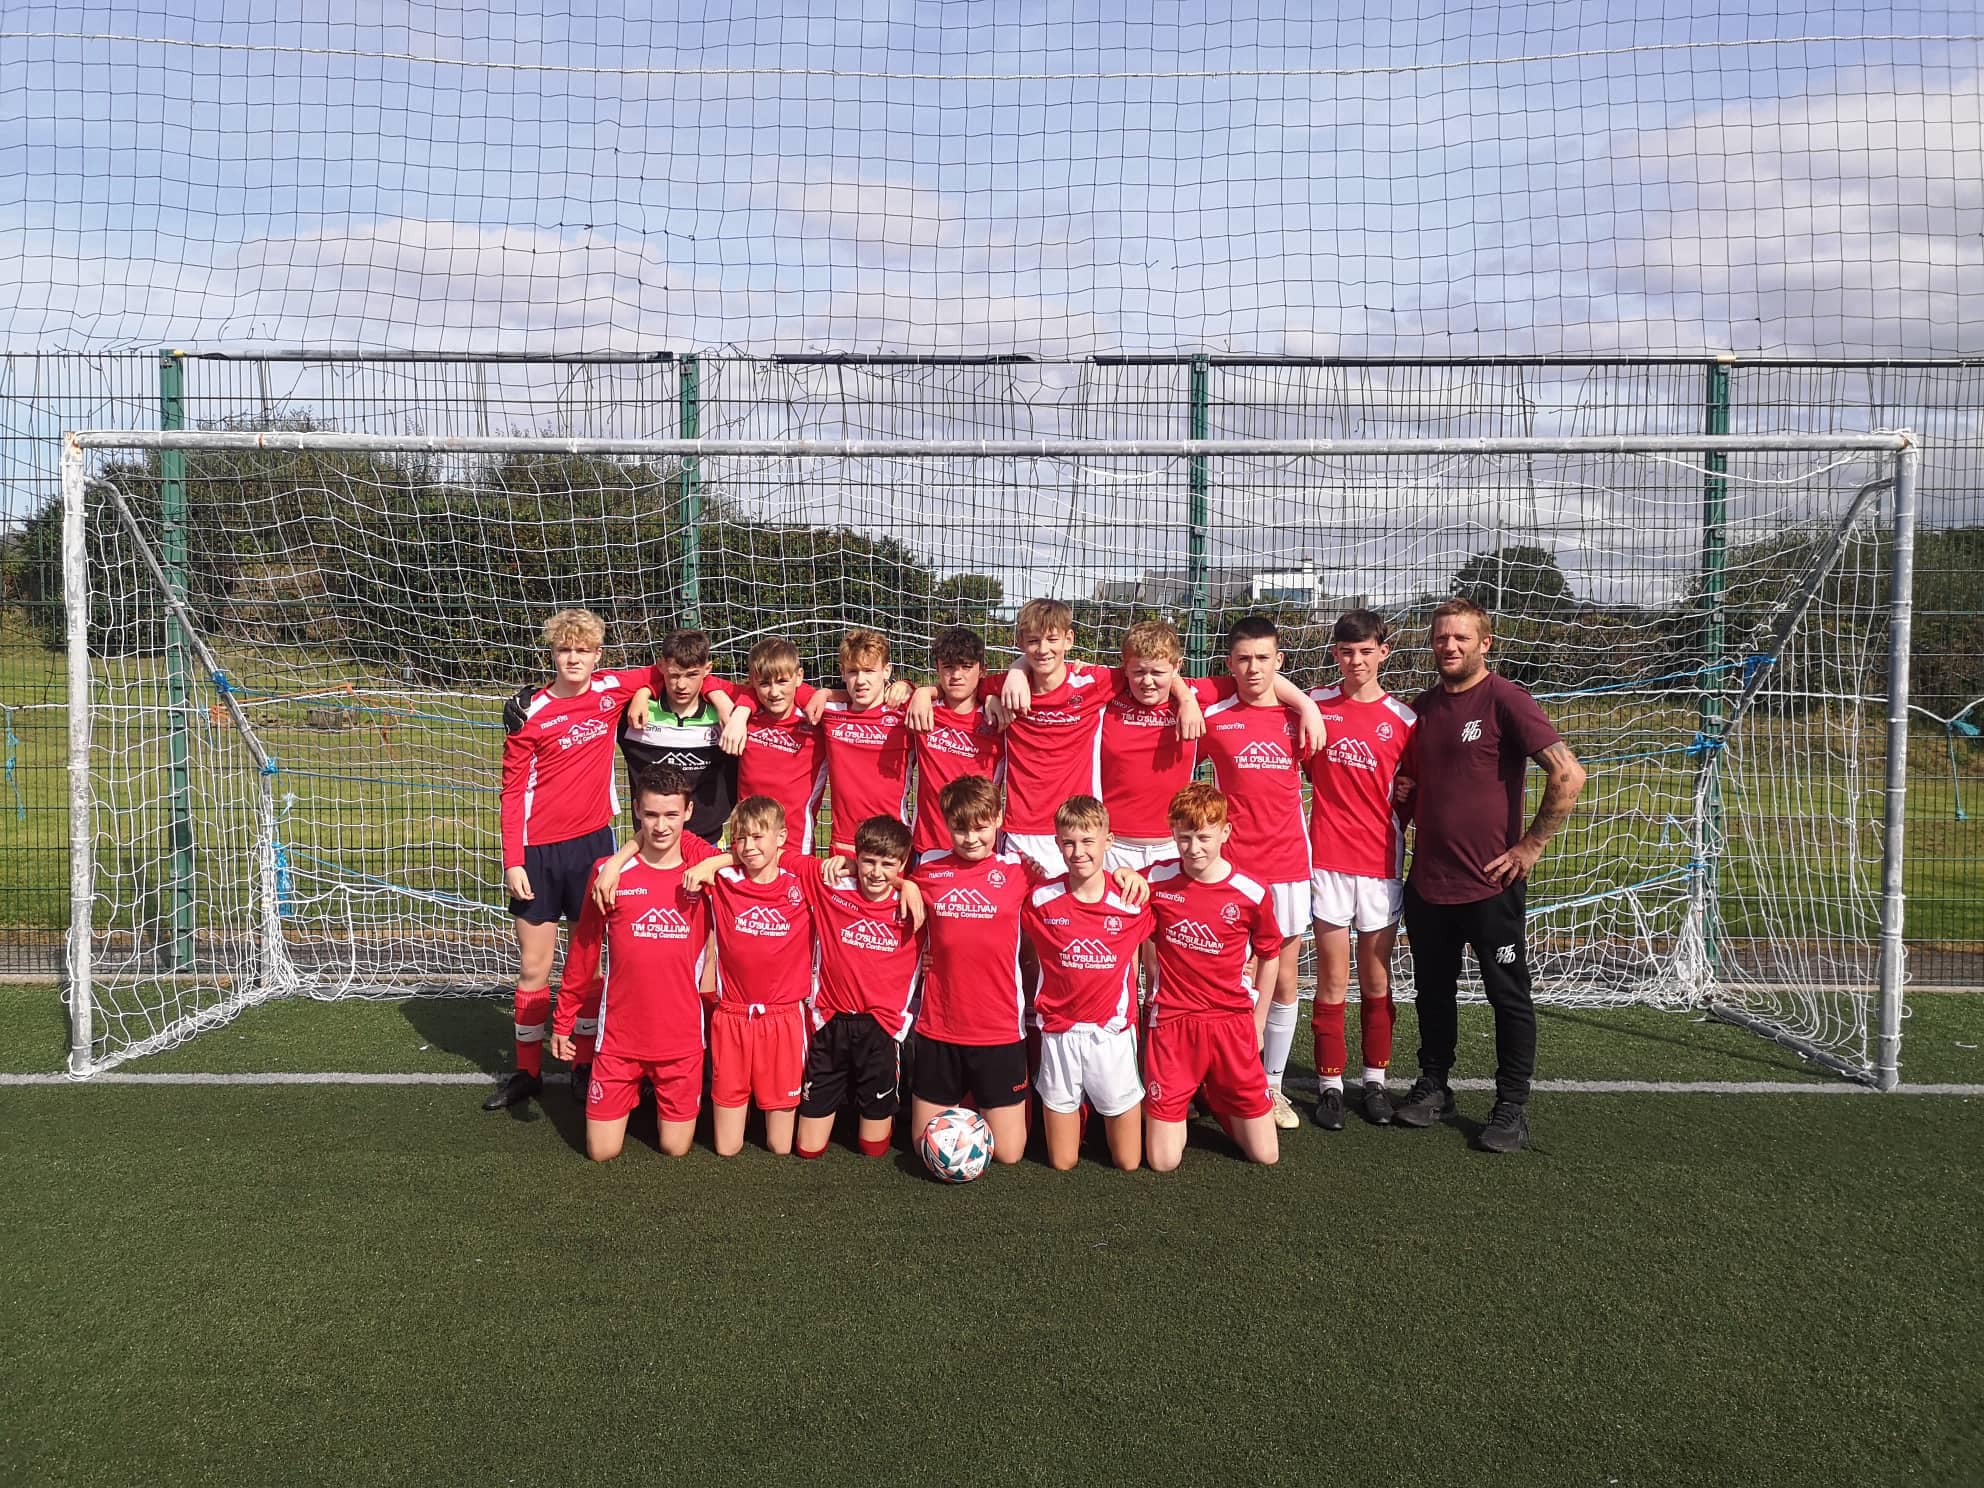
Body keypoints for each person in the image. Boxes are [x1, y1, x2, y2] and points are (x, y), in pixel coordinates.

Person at [1392, 597, 1587, 1153]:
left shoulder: (1505, 698)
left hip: (1490, 884)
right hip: (1429, 881)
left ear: (1485, 642)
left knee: (1507, 995)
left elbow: (1568, 775)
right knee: (1432, 990)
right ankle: (1434, 1086)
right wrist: (1408, 792)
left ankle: (1511, 1106)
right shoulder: (1422, 708)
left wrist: (1531, 845)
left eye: (1460, 638)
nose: (1448, 646)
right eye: (1439, 638)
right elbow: (1415, 783)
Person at [491, 608, 662, 1112]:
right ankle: (527, 1072)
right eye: (565, 650)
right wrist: (513, 860)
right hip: (538, 853)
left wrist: (645, 694)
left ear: (597, 655)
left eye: (583, 651)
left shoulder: (610, 690)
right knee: (534, 966)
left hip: (593, 849)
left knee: (586, 965)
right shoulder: (530, 711)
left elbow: (665, 670)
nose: (574, 659)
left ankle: (584, 1063)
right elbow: (512, 789)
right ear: (553, 654)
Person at [1196, 616, 1327, 1129]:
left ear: (1279, 662)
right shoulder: (1215, 716)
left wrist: (1309, 706)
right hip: (1232, 872)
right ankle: (1219, 1078)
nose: (1253, 668)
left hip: (1290, 869)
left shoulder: (1299, 722)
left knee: (1285, 978)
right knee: (1232, 975)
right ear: (1230, 664)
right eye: (1243, 659)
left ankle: (1268, 1087)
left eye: (1263, 658)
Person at [549, 765, 716, 1160]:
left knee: (674, 1148)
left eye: (671, 814)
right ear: (637, 811)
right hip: (620, 1041)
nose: (661, 825)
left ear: (688, 813)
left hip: (681, 1041)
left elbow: (756, 863)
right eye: (652, 814)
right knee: (601, 1152)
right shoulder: (609, 875)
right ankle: (630, 1093)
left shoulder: (706, 877)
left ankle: (654, 1096)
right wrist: (563, 1019)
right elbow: (585, 950)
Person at [1303, 610, 1417, 1129]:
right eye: (1346, 652)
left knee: (1375, 976)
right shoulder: (1315, 706)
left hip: (1379, 864)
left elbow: (1415, 789)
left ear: (1383, 653)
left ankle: (1374, 1081)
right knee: (1331, 980)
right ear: (1334, 655)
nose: (1356, 661)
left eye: (1366, 651)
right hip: (1326, 860)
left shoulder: (1405, 720)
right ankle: (1330, 1086)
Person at [1142, 783, 1283, 1171]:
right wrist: (1122, 871)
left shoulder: (1251, 892)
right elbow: (1114, 886)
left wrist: (1258, 1021)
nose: (1194, 848)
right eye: (1184, 837)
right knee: (1163, 1162)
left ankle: (1217, 1094)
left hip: (1231, 1023)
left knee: (1265, 1155)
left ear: (1225, 832)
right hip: (1173, 1023)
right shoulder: (1155, 878)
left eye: (1204, 836)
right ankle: (1191, 1091)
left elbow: (1270, 957)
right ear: (1172, 833)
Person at [904, 775, 1034, 1165]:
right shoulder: (927, 867)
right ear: (947, 825)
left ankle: (976, 1108)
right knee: (923, 1148)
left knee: (1009, 1155)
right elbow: (885, 892)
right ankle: (965, 1110)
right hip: (940, 1025)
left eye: (980, 826)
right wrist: (904, 886)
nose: (971, 837)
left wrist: (1126, 877)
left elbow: (1075, 888)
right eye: (960, 828)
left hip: (999, 1028)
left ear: (997, 819)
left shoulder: (1020, 870)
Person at [1021, 796, 1153, 1171]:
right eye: (1068, 842)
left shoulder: (1133, 899)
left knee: (1128, 1162)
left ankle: (1103, 1114)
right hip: (1060, 1034)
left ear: (1108, 842)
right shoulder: (1042, 899)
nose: (1078, 852)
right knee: (1062, 1163)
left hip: (1110, 1035)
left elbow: (1182, 889)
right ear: (1058, 843)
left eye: (1088, 842)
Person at [681, 797, 815, 1157]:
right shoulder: (723, 880)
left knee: (780, 1146)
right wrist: (721, 858)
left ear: (782, 837)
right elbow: (674, 831)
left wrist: (907, 885)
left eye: (758, 837)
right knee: (726, 1148)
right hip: (733, 1017)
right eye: (740, 838)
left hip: (784, 1020)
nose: (749, 847)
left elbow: (852, 869)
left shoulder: (803, 884)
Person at [793, 814, 926, 1159]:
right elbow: (778, 856)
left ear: (902, 863)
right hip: (831, 1021)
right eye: (868, 861)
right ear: (857, 857)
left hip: (881, 1029)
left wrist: (906, 885)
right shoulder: (831, 887)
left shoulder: (915, 902)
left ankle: (878, 1112)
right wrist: (848, 864)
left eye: (888, 864)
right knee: (808, 1149)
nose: (876, 873)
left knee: (873, 1148)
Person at [620, 628, 740, 841]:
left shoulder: (729, 715)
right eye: (674, 675)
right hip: (650, 839)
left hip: (708, 841)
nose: (681, 685)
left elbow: (769, 691)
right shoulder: (635, 713)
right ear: (661, 667)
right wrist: (643, 691)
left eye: (692, 675)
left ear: (707, 669)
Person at [710, 636, 828, 851]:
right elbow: (705, 680)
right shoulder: (749, 710)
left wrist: (824, 692)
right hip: (746, 839)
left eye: (782, 681)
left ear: (799, 676)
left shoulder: (815, 715)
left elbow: (854, 698)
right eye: (764, 683)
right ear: (752, 681)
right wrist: (738, 713)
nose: (774, 692)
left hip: (794, 842)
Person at [814, 628, 914, 857]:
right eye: (853, 671)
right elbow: (790, 691)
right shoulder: (829, 713)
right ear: (842, 673)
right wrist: (825, 692)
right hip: (844, 843)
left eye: (869, 671)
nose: (860, 681)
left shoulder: (906, 715)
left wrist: (912, 687)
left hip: (893, 842)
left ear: (886, 671)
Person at [908, 627, 1005, 860]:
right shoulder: (924, 711)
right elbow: (880, 694)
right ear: (937, 669)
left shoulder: (999, 719)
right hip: (928, 847)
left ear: (982, 670)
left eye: (966, 667)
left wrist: (991, 695)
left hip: (981, 846)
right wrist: (917, 690)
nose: (957, 675)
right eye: (949, 667)